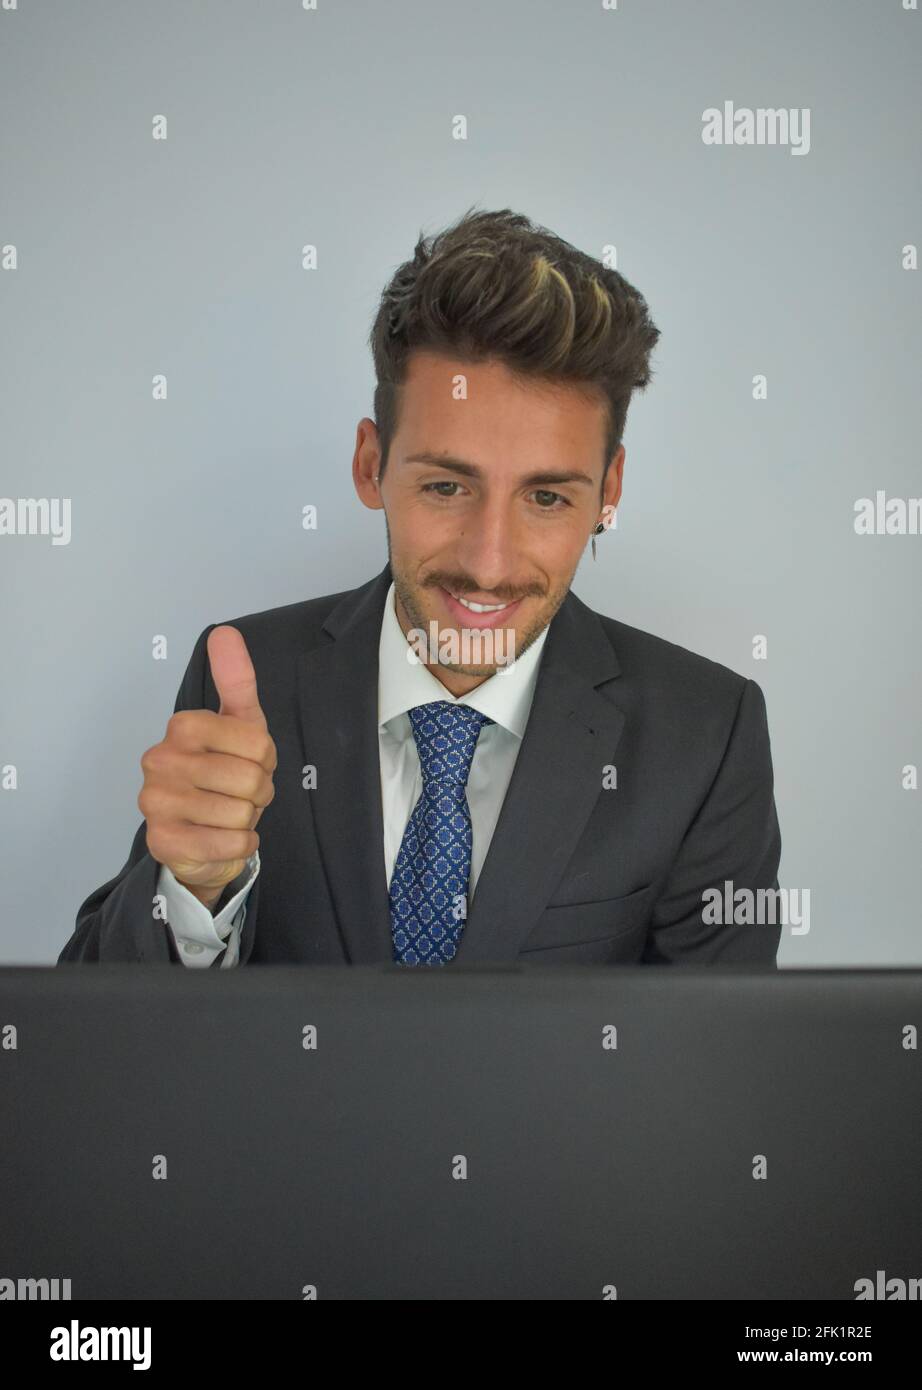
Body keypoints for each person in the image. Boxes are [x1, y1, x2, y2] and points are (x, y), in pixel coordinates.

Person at [59, 207, 781, 969]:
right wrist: (192, 891)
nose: (488, 562)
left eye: (546, 498)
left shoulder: (706, 735)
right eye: (445, 485)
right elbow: (109, 1034)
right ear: (371, 464)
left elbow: (712, 1067)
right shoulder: (246, 678)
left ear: (610, 489)